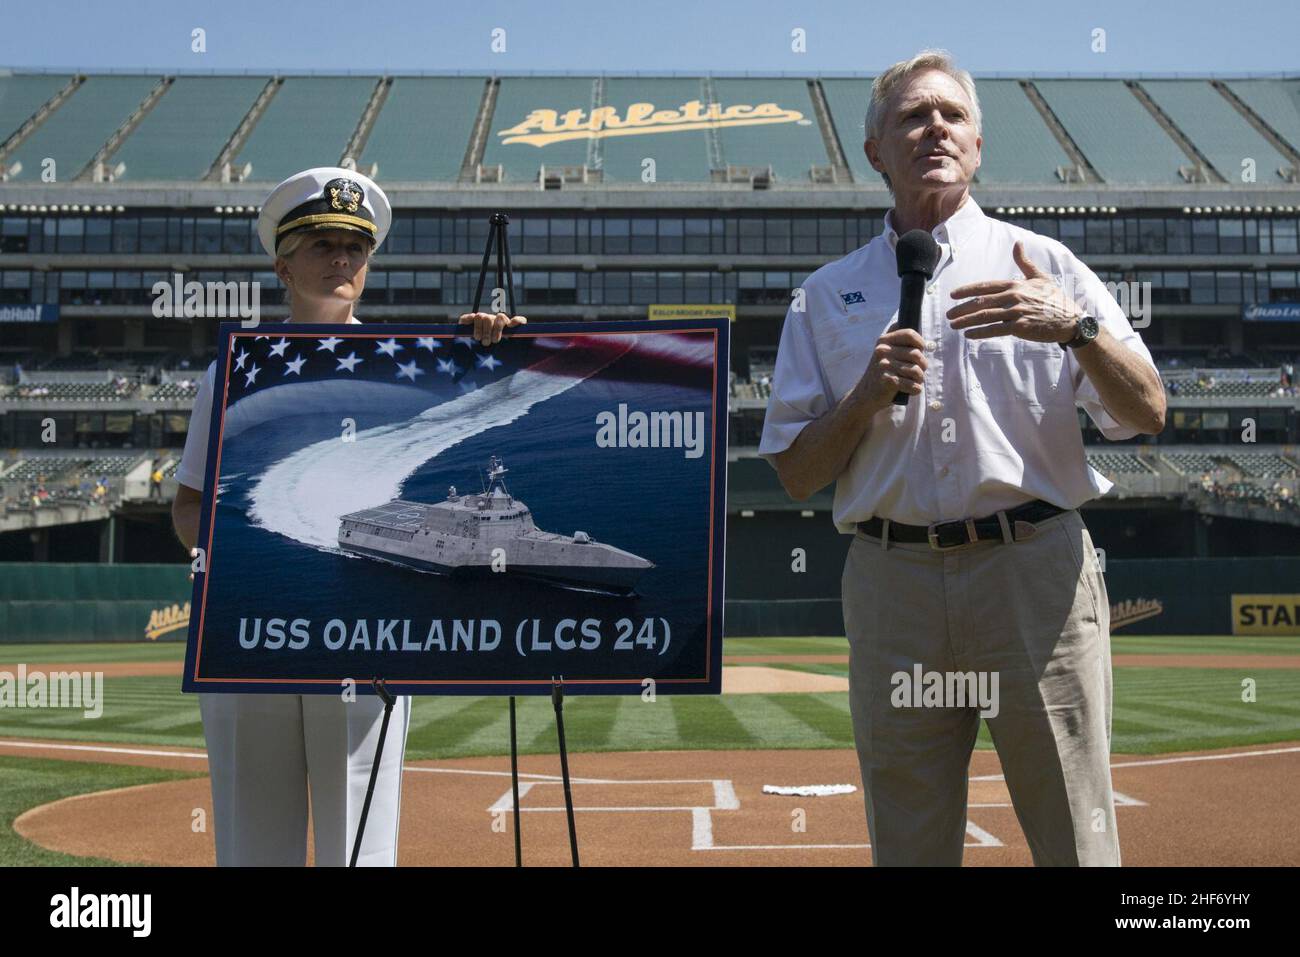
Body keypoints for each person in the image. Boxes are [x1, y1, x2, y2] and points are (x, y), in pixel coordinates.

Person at [759, 50, 1165, 867]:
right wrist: (864, 397)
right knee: (908, 845)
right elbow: (797, 472)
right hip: (893, 583)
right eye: (912, 116)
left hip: (1033, 576)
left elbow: (1148, 410)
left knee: (1075, 837)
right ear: (876, 152)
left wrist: (1077, 330)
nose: (934, 127)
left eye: (951, 114)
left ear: (978, 145)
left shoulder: (1046, 266)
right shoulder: (826, 292)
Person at [170, 167, 526, 866]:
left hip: (365, 624)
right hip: (252, 628)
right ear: (282, 264)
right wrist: (245, 550)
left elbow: (490, 389)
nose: (340, 259)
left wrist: (490, 344)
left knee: (357, 848)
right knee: (251, 846)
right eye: (322, 243)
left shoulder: (415, 363)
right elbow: (187, 505)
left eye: (354, 247)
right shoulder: (235, 369)